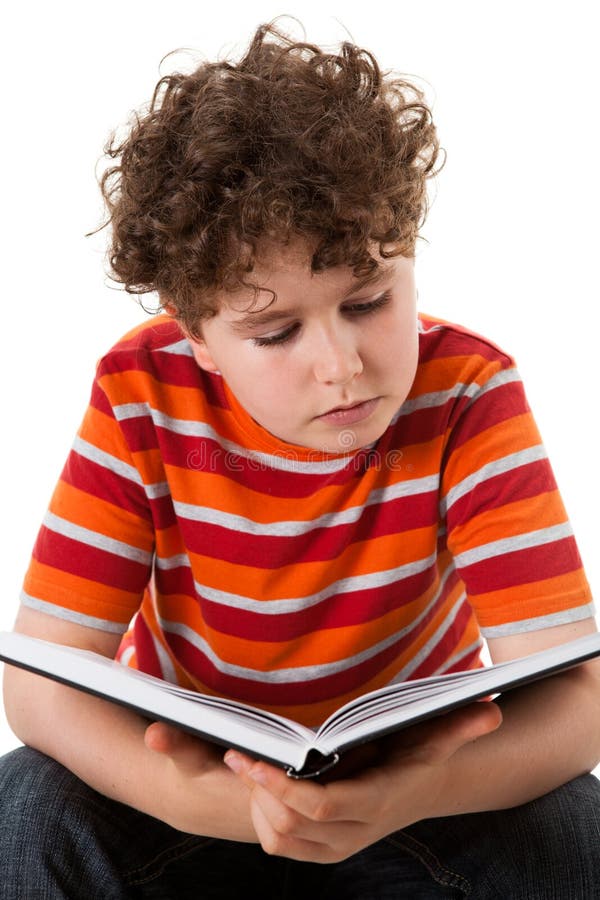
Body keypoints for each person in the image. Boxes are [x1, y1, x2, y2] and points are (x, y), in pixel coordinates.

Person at [1, 21, 599, 900]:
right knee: (28, 810)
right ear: (195, 332)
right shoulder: (141, 390)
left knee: (572, 833)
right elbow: (41, 684)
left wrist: (418, 790)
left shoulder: (468, 390)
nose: (342, 366)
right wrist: (195, 799)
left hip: (418, 802)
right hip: (198, 799)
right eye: (275, 331)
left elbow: (578, 700)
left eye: (368, 300)